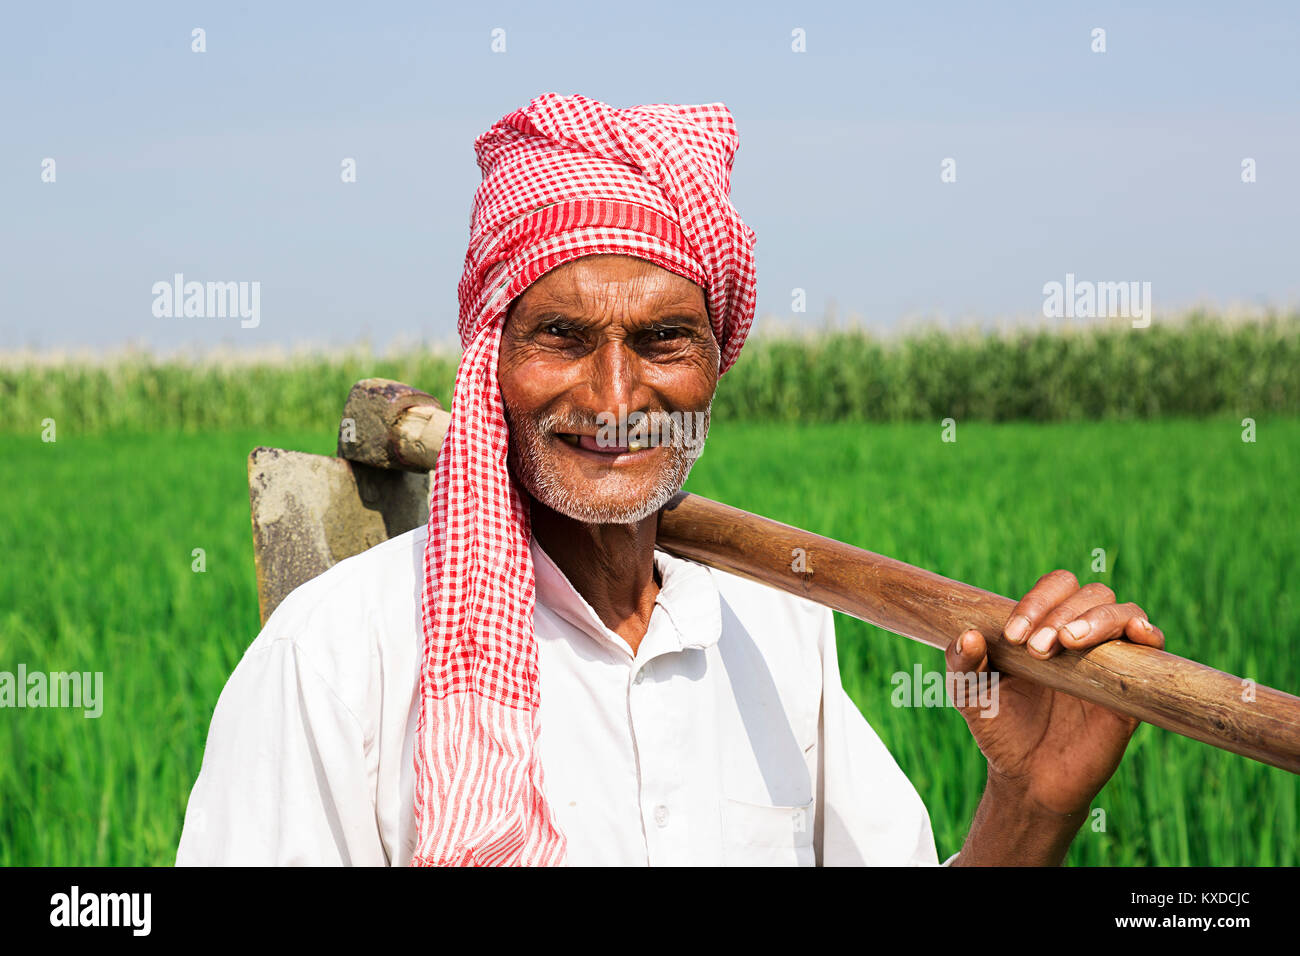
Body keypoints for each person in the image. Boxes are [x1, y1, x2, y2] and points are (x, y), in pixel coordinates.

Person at [175, 93, 1165, 867]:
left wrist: (1031, 809)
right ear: (493, 361)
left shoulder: (778, 625)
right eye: (560, 336)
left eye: (662, 339)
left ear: (714, 359)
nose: (615, 395)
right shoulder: (339, 656)